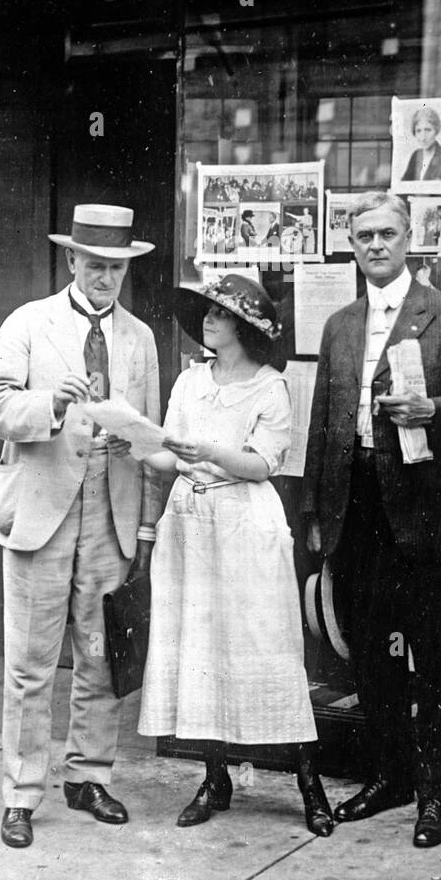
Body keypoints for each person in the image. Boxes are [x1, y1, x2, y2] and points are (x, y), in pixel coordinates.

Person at [301, 192, 441, 847]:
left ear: (409, 239)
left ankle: (436, 796)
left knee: (433, 655)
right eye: (363, 236)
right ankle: (390, 777)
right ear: (351, 245)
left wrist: (432, 410)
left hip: (424, 514)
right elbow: (322, 422)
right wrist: (316, 511)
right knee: (369, 654)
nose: (375, 245)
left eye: (386, 233)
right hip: (355, 510)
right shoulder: (340, 324)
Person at [0, 203, 163, 849]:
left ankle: (88, 776)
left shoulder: (139, 337)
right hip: (41, 509)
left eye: (117, 267)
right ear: (71, 259)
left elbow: (152, 437)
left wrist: (144, 525)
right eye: (94, 264)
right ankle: (21, 793)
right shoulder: (29, 323)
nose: (105, 278)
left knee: (101, 655)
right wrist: (50, 405)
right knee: (31, 662)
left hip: (111, 510)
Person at [138, 274, 334, 837]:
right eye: (206, 310)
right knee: (200, 645)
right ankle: (215, 778)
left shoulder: (271, 387)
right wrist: (136, 446)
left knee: (267, 646)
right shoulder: (190, 381)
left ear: (247, 328)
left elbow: (263, 464)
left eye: (221, 313)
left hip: (245, 522)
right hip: (189, 521)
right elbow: (170, 456)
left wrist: (211, 450)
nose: (209, 319)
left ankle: (309, 784)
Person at [400, 105, 441, 185]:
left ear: (436, 130)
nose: (423, 137)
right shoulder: (416, 155)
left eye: (428, 130)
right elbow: (404, 183)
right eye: (418, 131)